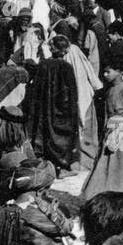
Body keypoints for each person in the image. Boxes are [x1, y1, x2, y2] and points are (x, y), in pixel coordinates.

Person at [83, 42, 123, 198]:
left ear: (120, 72)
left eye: (108, 72)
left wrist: (122, 132)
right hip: (110, 129)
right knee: (105, 165)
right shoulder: (109, 90)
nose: (105, 75)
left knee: (122, 166)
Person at [26, 33, 80, 175]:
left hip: (45, 109)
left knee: (46, 135)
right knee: (63, 138)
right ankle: (61, 168)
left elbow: (36, 90)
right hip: (63, 109)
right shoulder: (67, 67)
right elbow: (72, 92)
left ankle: (46, 166)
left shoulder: (44, 65)